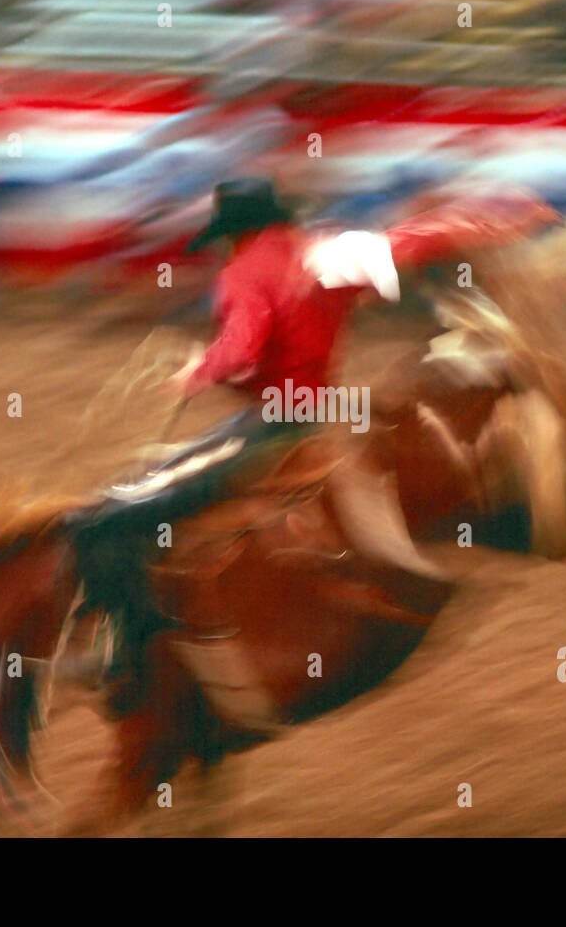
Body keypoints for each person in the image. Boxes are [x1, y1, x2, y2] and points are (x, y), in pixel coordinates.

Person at [68, 177, 403, 714]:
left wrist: (197, 372)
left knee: (106, 516)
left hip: (268, 427)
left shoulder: (245, 272)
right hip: (305, 418)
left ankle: (129, 649)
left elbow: (245, 345)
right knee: (153, 484)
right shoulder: (316, 255)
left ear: (238, 234)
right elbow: (404, 247)